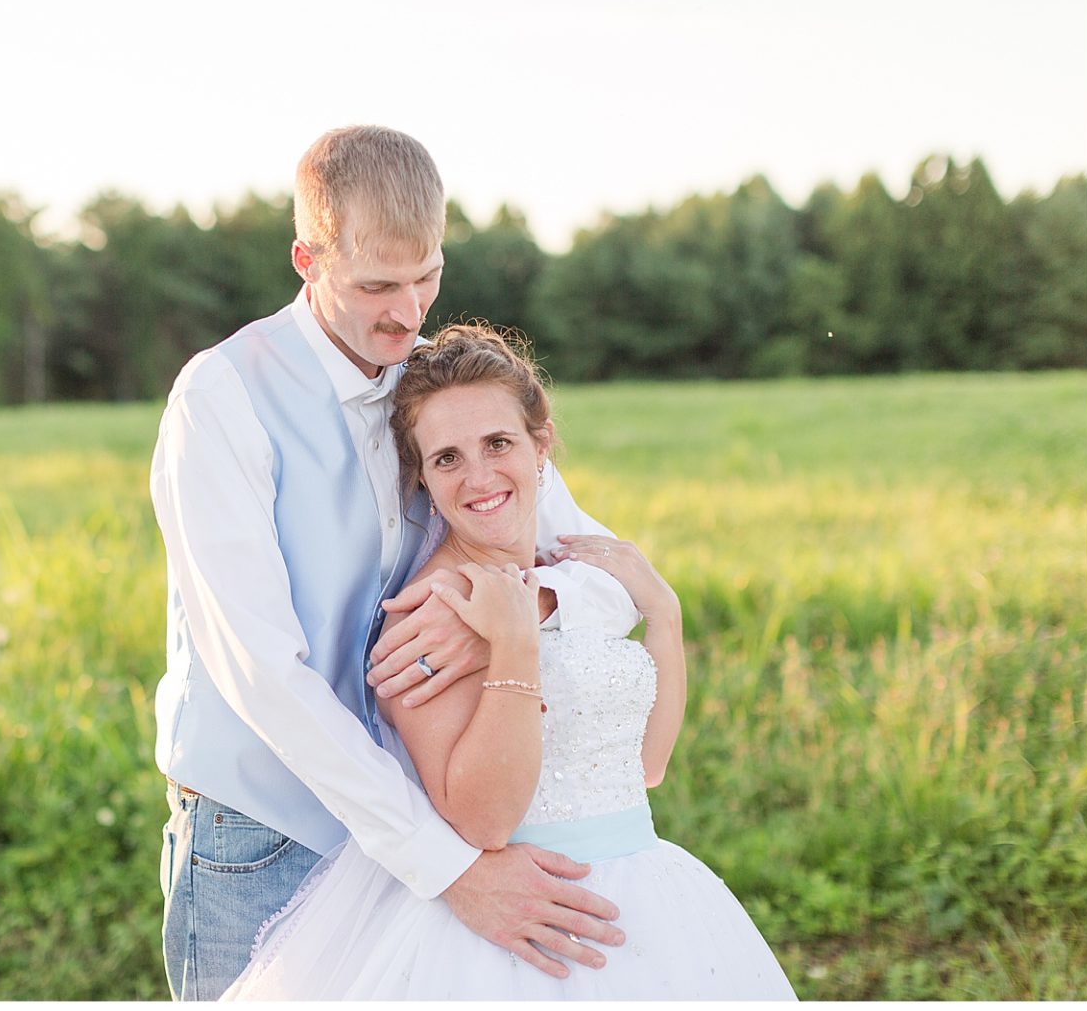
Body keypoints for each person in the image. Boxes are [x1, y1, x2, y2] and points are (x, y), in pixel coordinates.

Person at [149, 126, 641, 1000]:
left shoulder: (441, 390)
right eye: (377, 285)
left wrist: (514, 608)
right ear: (307, 258)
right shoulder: (220, 397)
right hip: (264, 834)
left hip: (424, 804)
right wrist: (447, 868)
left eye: (429, 278)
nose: (409, 313)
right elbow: (262, 673)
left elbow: (602, 568)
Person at [222, 324, 797, 1000]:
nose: (480, 477)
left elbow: (648, 766)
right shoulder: (424, 621)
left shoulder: (567, 567)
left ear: (540, 443)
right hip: (518, 931)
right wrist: (515, 646)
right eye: (446, 459)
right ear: (422, 479)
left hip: (644, 896)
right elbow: (483, 821)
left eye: (498, 443)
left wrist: (664, 616)